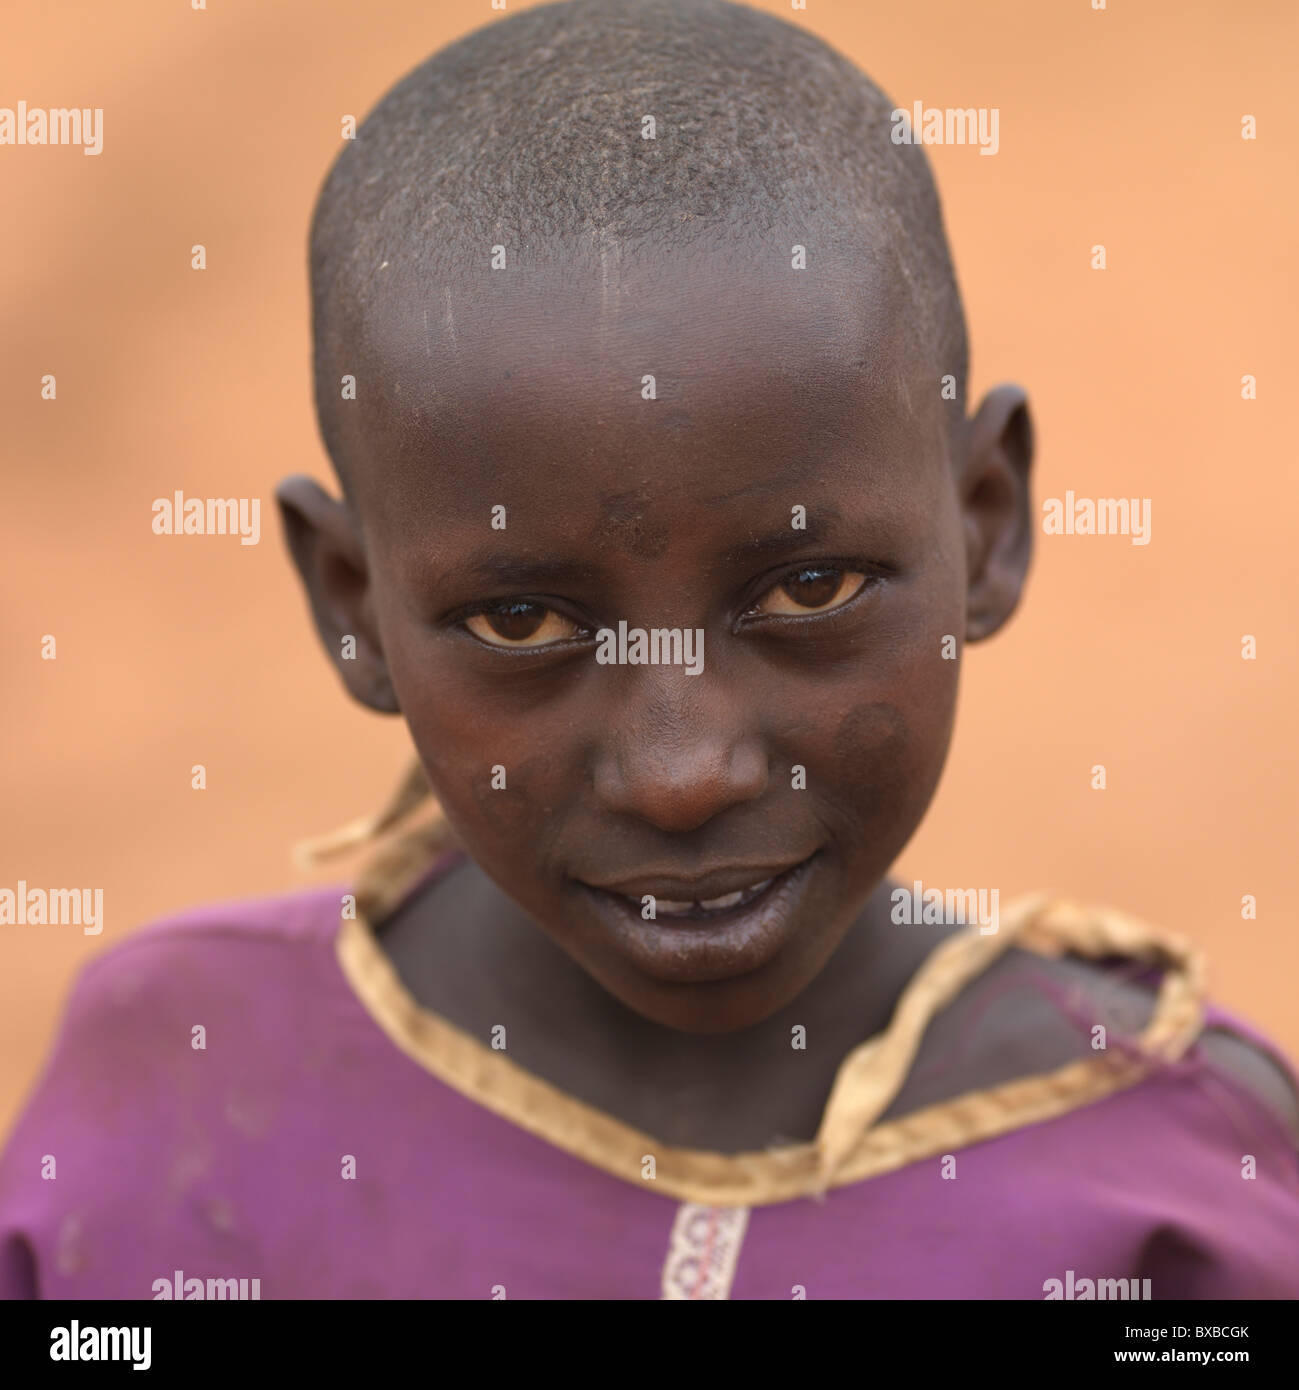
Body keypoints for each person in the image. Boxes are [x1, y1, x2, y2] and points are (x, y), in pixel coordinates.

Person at [3, 0, 1296, 1300]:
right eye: (524, 621)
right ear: (351, 600)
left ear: (986, 528)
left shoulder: (1168, 1196)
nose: (685, 772)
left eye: (809, 586)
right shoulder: (178, 1087)